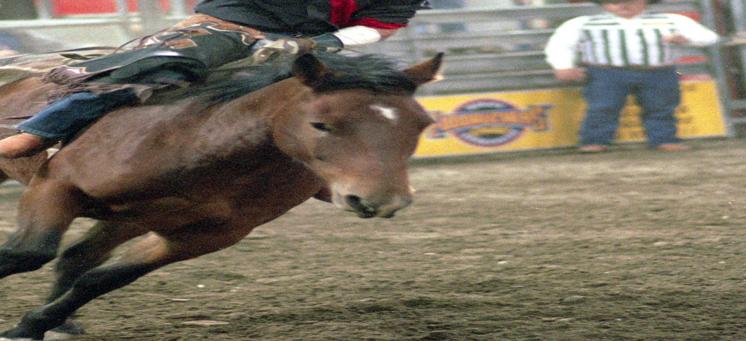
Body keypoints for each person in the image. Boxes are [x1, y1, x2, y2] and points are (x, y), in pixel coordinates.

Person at [0, 0, 429, 159]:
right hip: (229, 23)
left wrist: (319, 46)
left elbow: (379, 25)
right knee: (161, 66)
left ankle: (340, 166)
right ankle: (40, 131)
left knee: (347, 98)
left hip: (309, 44)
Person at [544, 0, 719, 152]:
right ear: (604, 4)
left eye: (630, 1)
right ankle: (594, 141)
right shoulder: (584, 23)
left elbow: (709, 37)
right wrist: (563, 66)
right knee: (602, 107)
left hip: (659, 72)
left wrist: (684, 38)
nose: (623, 5)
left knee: (662, 106)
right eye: (614, 2)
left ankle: (664, 139)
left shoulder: (670, 20)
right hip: (606, 73)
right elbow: (560, 44)